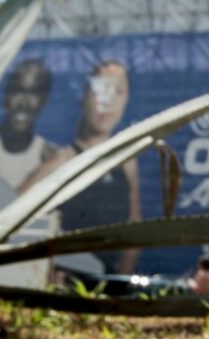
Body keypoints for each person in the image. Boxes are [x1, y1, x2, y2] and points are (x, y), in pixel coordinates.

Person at [22, 59, 143, 274]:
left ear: (127, 99)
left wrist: (121, 278)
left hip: (109, 283)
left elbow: (134, 226)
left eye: (118, 92)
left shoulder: (127, 162)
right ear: (85, 96)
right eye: (100, 90)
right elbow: (13, 211)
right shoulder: (62, 161)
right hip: (69, 280)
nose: (107, 102)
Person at [0, 58, 59, 189]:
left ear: (44, 100)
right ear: (6, 96)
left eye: (33, 93)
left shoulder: (50, 158)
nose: (24, 102)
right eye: (18, 91)